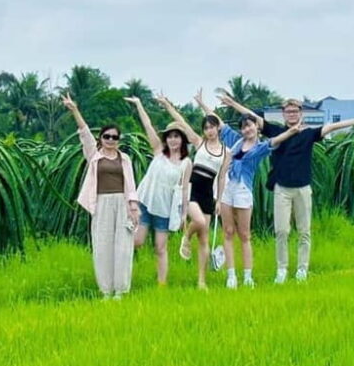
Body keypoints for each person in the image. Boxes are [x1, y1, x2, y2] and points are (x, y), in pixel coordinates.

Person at [219, 94, 354, 284]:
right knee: (281, 231)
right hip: (281, 189)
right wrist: (232, 103)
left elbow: (331, 126)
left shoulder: (309, 134)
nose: (291, 114)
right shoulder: (275, 131)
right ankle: (281, 270)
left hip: (302, 189)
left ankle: (302, 269)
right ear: (283, 114)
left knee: (304, 231)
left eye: (295, 111)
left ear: (301, 113)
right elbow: (252, 117)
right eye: (288, 111)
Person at [195, 92, 300, 289]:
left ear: (257, 127)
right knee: (227, 231)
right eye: (244, 126)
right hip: (227, 190)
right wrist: (202, 104)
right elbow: (218, 123)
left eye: (250, 125)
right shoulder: (235, 140)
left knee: (244, 235)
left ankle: (248, 276)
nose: (247, 129)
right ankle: (231, 276)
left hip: (243, 192)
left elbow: (276, 141)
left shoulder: (260, 147)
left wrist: (292, 131)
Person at [63, 93, 140, 300]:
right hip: (102, 204)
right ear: (101, 139)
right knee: (103, 246)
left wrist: (133, 207)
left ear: (119, 140)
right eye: (107, 137)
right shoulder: (94, 156)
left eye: (115, 137)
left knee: (123, 247)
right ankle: (106, 290)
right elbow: (85, 133)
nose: (111, 140)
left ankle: (120, 290)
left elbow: (131, 185)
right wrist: (74, 110)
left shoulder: (125, 159)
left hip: (122, 204)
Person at [156, 92, 230, 290]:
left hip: (208, 193)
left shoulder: (226, 152)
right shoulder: (199, 142)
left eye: (212, 127)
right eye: (206, 128)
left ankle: (201, 281)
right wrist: (167, 104)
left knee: (205, 239)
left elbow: (222, 177)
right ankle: (186, 238)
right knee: (197, 222)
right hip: (192, 188)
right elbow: (181, 122)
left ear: (217, 128)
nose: (209, 131)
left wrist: (219, 201)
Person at [125, 96, 192, 286]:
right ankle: (122, 277)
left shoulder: (186, 163)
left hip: (165, 209)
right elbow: (147, 125)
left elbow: (184, 189)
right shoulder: (158, 151)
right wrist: (139, 104)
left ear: (182, 139)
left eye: (176, 136)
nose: (173, 140)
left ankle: (161, 286)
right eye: (170, 136)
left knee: (160, 248)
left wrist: (183, 215)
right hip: (144, 203)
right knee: (136, 241)